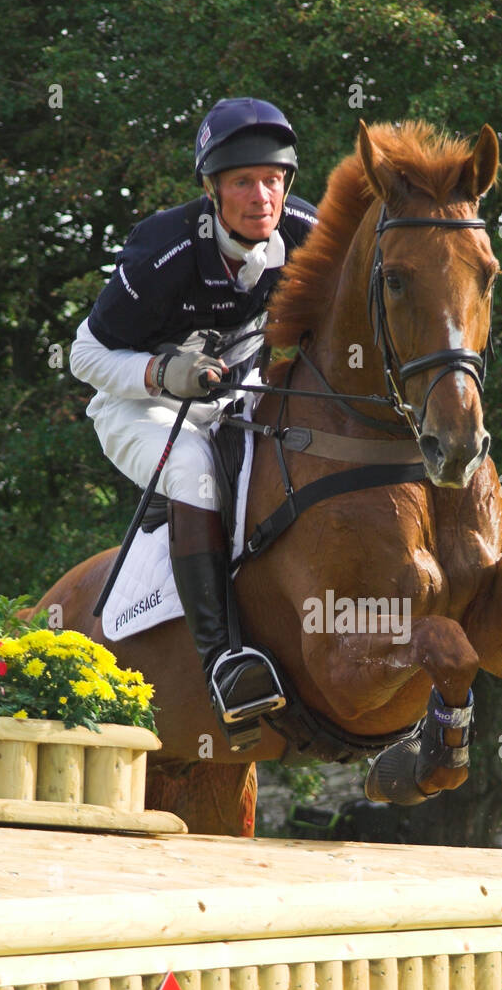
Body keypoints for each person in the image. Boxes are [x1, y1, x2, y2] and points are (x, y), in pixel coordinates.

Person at [69, 98, 318, 732]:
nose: (261, 197)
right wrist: (160, 374)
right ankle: (223, 660)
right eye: (241, 181)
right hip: (136, 405)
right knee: (191, 469)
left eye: (272, 179)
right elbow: (84, 354)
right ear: (211, 188)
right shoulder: (163, 250)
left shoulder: (307, 233)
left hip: (234, 394)